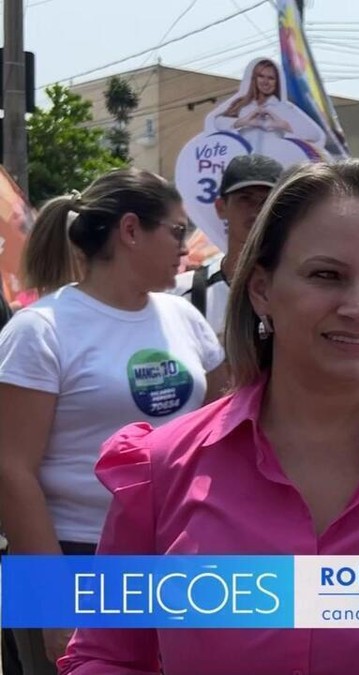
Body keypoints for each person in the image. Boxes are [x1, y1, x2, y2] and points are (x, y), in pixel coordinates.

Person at [59, 159, 359, 674]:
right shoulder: (163, 466)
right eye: (326, 275)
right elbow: (107, 655)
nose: (358, 306)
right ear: (262, 288)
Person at [0, 169, 226, 675]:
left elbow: (224, 421)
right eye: (174, 230)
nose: (184, 246)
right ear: (129, 230)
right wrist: (52, 602)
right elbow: (10, 471)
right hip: (74, 554)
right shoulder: (39, 330)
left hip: (175, 555)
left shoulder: (183, 316)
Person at [174, 154, 283, 334]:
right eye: (245, 198)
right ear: (221, 207)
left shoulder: (304, 293)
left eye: (267, 200)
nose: (256, 209)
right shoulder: (182, 295)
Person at [213, 58, 324, 147]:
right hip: (242, 161)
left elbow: (313, 135)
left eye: (271, 78)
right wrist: (244, 122)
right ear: (254, 79)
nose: (265, 82)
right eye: (261, 76)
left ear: (278, 82)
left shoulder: (284, 108)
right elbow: (217, 123)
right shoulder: (242, 104)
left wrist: (284, 126)